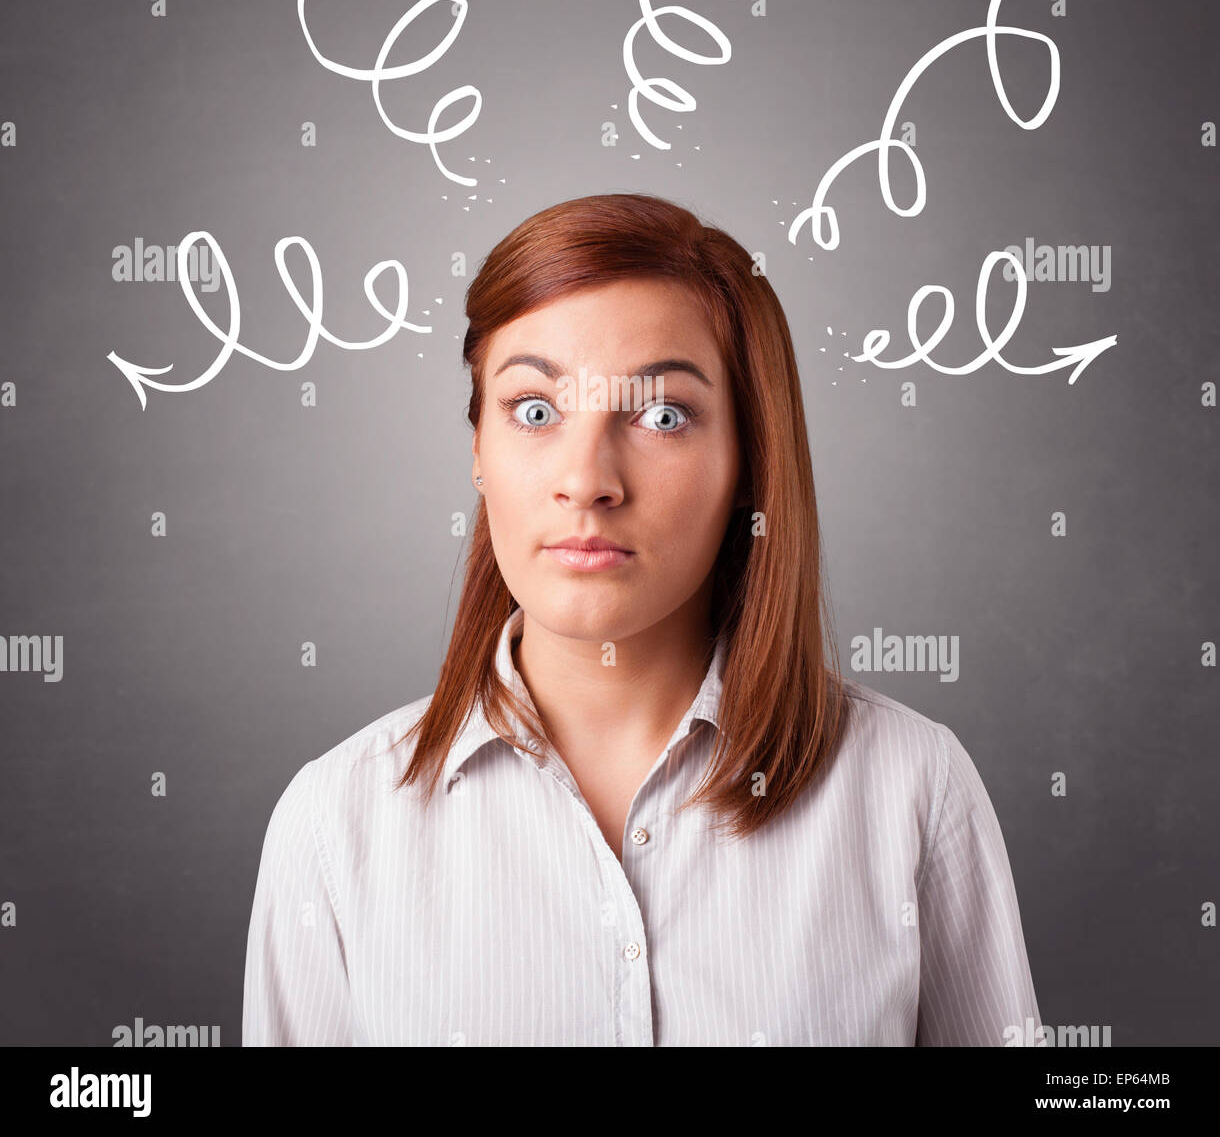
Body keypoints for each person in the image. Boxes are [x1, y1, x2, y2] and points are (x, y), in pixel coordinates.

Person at [242, 192, 1042, 1046]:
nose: (587, 480)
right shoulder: (333, 824)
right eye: (535, 410)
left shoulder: (914, 790)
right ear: (478, 448)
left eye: (662, 415)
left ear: (750, 461)